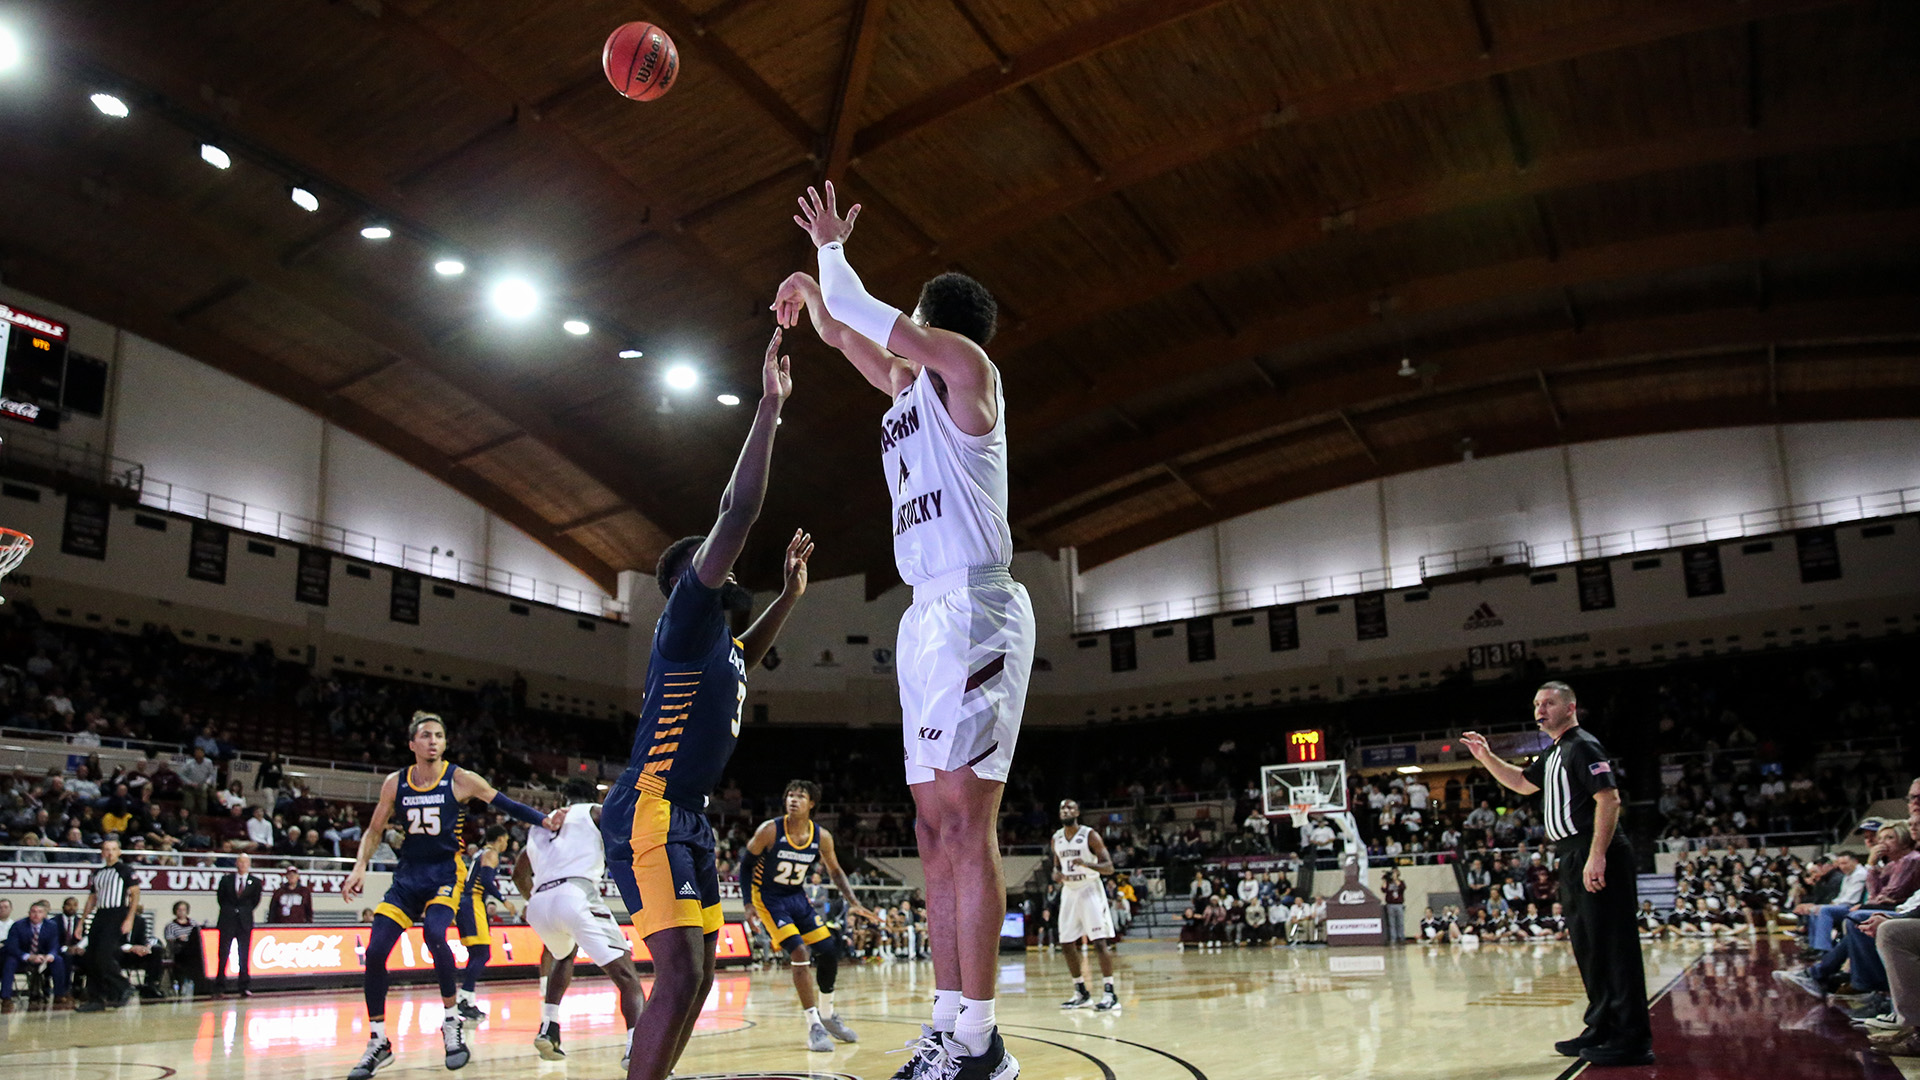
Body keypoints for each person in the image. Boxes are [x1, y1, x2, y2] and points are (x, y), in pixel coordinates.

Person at [780, 179, 1034, 1080]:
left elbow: (860, 313)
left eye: (912, 328)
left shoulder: (967, 374)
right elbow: (846, 330)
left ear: (935, 327)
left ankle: (979, 1037)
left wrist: (829, 254)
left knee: (967, 824)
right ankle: (950, 1023)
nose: (900, 343)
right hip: (926, 615)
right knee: (932, 831)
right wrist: (813, 297)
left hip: (976, 605)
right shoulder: (906, 389)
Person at [599, 329, 811, 1080]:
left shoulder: (721, 648)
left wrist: (787, 597)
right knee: (682, 973)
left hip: (686, 815)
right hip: (650, 807)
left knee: (697, 977)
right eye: (710, 558)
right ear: (693, 574)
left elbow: (748, 652)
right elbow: (740, 508)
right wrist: (769, 408)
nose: (721, 563)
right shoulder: (687, 618)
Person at [340, 712, 564, 1080]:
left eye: (440, 736)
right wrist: (359, 866)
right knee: (376, 950)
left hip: (445, 872)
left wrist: (543, 820)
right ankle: (378, 1040)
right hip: (407, 877)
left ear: (445, 743)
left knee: (433, 934)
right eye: (426, 736)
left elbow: (504, 803)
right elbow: (374, 829)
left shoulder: (460, 778)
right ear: (412, 744)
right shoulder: (395, 783)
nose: (433, 741)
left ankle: (450, 1022)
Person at [1464, 681, 1653, 1068]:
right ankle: (1602, 1026)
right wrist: (1486, 756)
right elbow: (1519, 783)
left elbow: (1609, 799)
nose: (1540, 709)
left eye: (1548, 703)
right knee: (1589, 947)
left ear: (1570, 708)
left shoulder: (1582, 745)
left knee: (1614, 947)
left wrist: (1597, 855)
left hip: (1595, 850)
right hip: (1570, 854)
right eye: (1536, 703)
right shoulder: (1553, 753)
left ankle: (1632, 1039)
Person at [514, 777, 646, 1067]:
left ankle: (549, 1027)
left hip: (539, 902)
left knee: (563, 955)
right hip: (575, 893)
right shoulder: (596, 812)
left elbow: (518, 873)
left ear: (563, 798)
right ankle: (638, 1050)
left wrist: (537, 900)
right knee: (627, 976)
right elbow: (625, 839)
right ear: (591, 797)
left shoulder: (541, 824)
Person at [741, 779, 880, 1051]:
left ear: (812, 804)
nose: (793, 800)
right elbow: (745, 866)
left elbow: (836, 871)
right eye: (789, 795)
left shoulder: (821, 836)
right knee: (800, 952)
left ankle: (828, 1015)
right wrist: (748, 904)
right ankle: (813, 1025)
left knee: (829, 950)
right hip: (768, 898)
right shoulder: (770, 830)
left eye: (800, 796)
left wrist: (852, 900)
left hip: (796, 896)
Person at [1050, 799, 1119, 1012]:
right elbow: (1055, 868)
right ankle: (1081, 991)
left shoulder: (1090, 835)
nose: (1065, 811)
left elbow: (1109, 868)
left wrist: (1087, 864)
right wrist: (1057, 876)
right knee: (1067, 943)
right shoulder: (1056, 838)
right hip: (1069, 891)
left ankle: (1110, 993)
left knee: (1099, 942)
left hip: (1089, 889)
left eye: (1070, 807)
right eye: (1062, 808)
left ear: (1078, 812)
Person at [454, 825, 518, 1022]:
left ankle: (467, 1001)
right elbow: (488, 881)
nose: (506, 843)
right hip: (472, 901)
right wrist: (504, 900)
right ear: (499, 839)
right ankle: (463, 1000)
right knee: (482, 953)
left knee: (476, 954)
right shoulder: (491, 854)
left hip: (467, 902)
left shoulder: (480, 853)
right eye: (505, 839)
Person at [75, 838, 139, 1012]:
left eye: (113, 849)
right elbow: (92, 899)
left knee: (104, 955)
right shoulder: (98, 873)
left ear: (119, 852)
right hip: (100, 915)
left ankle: (124, 986)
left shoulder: (125, 870)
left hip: (117, 913)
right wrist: (81, 922)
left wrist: (129, 918)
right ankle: (96, 998)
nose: (110, 853)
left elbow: (135, 894)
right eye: (106, 849)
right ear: (102, 853)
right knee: (91, 956)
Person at [2, 900, 68, 1011]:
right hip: (23, 957)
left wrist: (50, 955)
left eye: (39, 912)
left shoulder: (51, 926)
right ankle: (6, 998)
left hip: (43, 957)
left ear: (44, 914)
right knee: (10, 961)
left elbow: (55, 944)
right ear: (29, 913)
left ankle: (59, 995)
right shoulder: (18, 925)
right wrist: (28, 956)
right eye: (33, 911)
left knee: (58, 960)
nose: (36, 914)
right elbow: (12, 947)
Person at [213, 853, 263, 997]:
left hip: (244, 922)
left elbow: (255, 901)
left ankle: (244, 986)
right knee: (223, 954)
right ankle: (220, 986)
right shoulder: (226, 880)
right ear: (236, 863)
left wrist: (243, 911)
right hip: (227, 921)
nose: (242, 865)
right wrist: (231, 911)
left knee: (244, 954)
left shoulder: (255, 882)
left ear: (249, 865)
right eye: (240, 862)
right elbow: (220, 899)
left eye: (245, 862)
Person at [1381, 868, 1407, 944]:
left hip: (1399, 904)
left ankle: (1401, 937)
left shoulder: (1401, 882)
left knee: (1400, 922)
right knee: (1392, 923)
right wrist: (1385, 880)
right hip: (1390, 904)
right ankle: (1393, 938)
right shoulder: (1388, 883)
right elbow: (1383, 889)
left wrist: (1395, 879)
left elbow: (1402, 887)